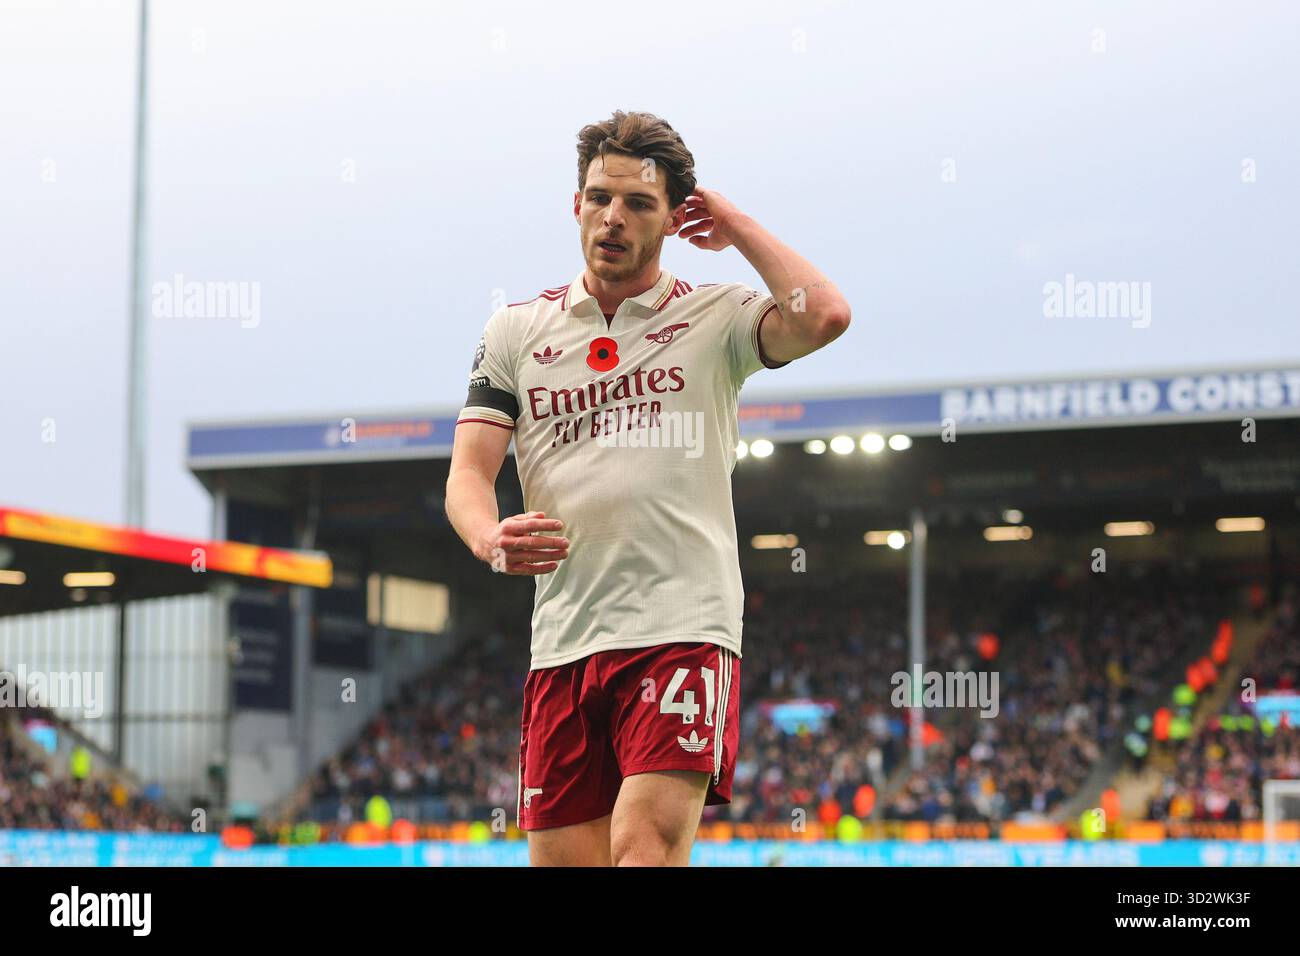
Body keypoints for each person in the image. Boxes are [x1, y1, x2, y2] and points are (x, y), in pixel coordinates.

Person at [445, 110, 850, 866]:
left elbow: (825, 315)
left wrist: (737, 223)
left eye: (639, 203)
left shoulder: (716, 317)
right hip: (562, 643)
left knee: (645, 850)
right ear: (576, 206)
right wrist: (487, 536)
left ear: (674, 219)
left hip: (680, 628)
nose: (613, 217)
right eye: (599, 197)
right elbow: (469, 472)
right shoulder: (515, 330)